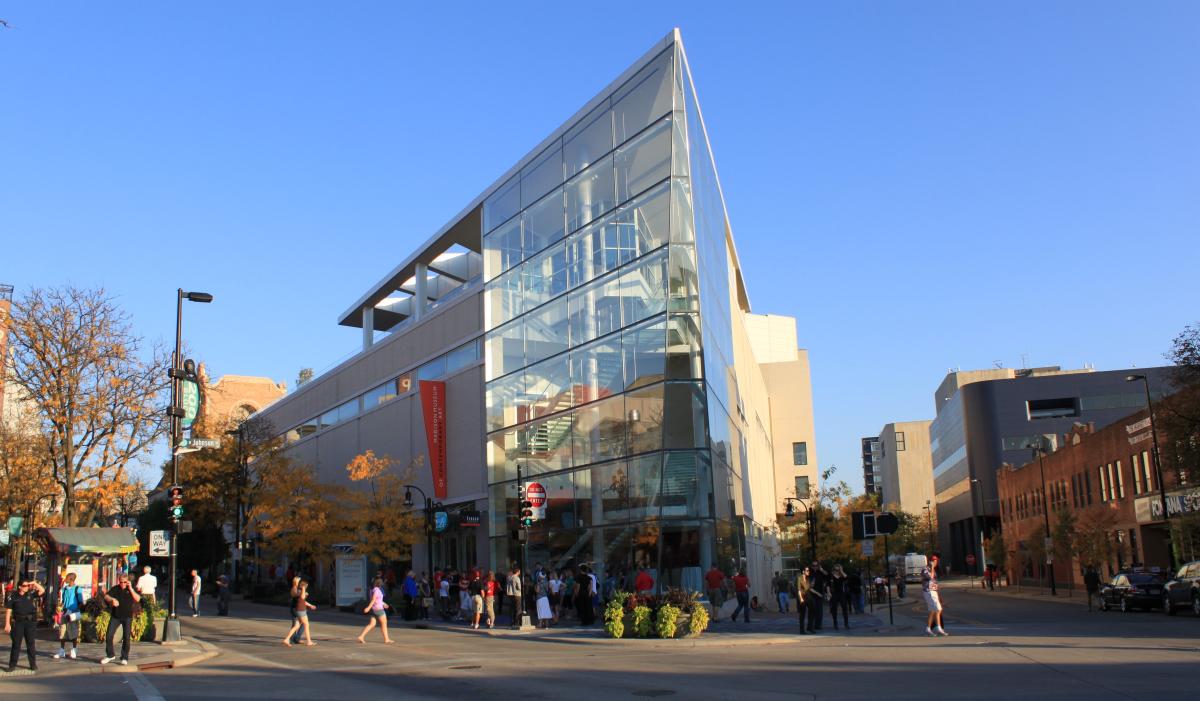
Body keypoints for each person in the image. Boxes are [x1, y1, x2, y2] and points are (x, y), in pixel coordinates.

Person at [100, 573, 141, 665]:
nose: (122, 584)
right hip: (115, 616)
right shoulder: (116, 588)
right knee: (109, 635)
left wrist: (130, 589)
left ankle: (124, 657)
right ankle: (110, 655)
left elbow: (138, 599)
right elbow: (106, 596)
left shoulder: (130, 589)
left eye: (124, 582)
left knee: (126, 637)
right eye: (121, 582)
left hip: (127, 616)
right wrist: (112, 600)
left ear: (128, 582)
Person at [6, 578, 45, 672]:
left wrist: (34, 583)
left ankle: (33, 664)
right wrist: (7, 623)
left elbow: (42, 590)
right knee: (16, 644)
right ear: (19, 587)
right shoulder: (13, 595)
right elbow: (9, 610)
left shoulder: (30, 594)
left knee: (31, 644)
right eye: (24, 586)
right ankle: (12, 665)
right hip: (18, 622)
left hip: (30, 622)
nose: (27, 587)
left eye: (28, 585)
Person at [56, 572, 86, 659]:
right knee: (62, 631)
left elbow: (81, 602)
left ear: (71, 579)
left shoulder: (77, 589)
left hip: (73, 614)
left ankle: (74, 649)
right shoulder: (64, 589)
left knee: (73, 632)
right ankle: (62, 650)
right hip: (65, 613)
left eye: (67, 578)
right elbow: (62, 601)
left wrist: (77, 612)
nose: (65, 579)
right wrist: (59, 606)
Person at [357, 577, 393, 643]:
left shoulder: (372, 590)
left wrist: (384, 604)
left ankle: (361, 636)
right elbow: (373, 600)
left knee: (372, 624)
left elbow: (377, 600)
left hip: (374, 609)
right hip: (379, 609)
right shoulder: (377, 590)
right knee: (384, 624)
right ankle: (386, 639)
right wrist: (368, 608)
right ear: (379, 583)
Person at [283, 579, 317, 646]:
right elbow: (302, 598)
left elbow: (302, 600)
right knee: (306, 625)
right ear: (305, 585)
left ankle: (286, 639)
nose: (307, 587)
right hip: (301, 610)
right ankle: (309, 641)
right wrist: (304, 589)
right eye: (306, 586)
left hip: (299, 610)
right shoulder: (301, 591)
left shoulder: (296, 590)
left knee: (296, 626)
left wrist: (310, 605)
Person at [922, 554, 946, 636]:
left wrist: (938, 595)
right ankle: (938, 627)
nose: (935, 562)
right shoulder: (925, 569)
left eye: (935, 561)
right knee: (938, 609)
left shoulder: (934, 570)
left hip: (933, 591)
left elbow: (934, 582)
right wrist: (932, 567)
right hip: (928, 591)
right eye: (933, 561)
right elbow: (930, 577)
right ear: (930, 561)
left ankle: (928, 628)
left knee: (932, 610)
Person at [808, 562, 828, 631]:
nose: (815, 567)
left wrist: (821, 569)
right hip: (812, 594)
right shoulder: (810, 573)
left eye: (816, 565)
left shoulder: (821, 572)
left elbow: (827, 575)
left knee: (820, 610)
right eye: (813, 566)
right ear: (812, 566)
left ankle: (818, 625)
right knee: (813, 609)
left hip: (820, 593)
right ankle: (811, 625)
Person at [829, 564, 850, 630]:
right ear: (833, 570)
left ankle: (846, 623)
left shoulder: (841, 576)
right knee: (834, 609)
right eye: (835, 570)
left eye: (838, 570)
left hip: (841, 594)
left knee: (845, 608)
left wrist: (841, 571)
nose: (837, 571)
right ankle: (835, 623)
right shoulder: (831, 576)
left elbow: (847, 578)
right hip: (834, 594)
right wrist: (829, 593)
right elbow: (827, 585)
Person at [796, 566, 814, 633]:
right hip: (802, 596)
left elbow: (809, 588)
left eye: (808, 570)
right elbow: (798, 589)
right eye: (807, 570)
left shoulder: (808, 578)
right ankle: (802, 630)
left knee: (812, 611)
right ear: (803, 571)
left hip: (808, 596)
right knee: (802, 614)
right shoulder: (799, 578)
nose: (808, 571)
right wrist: (801, 598)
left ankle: (810, 628)